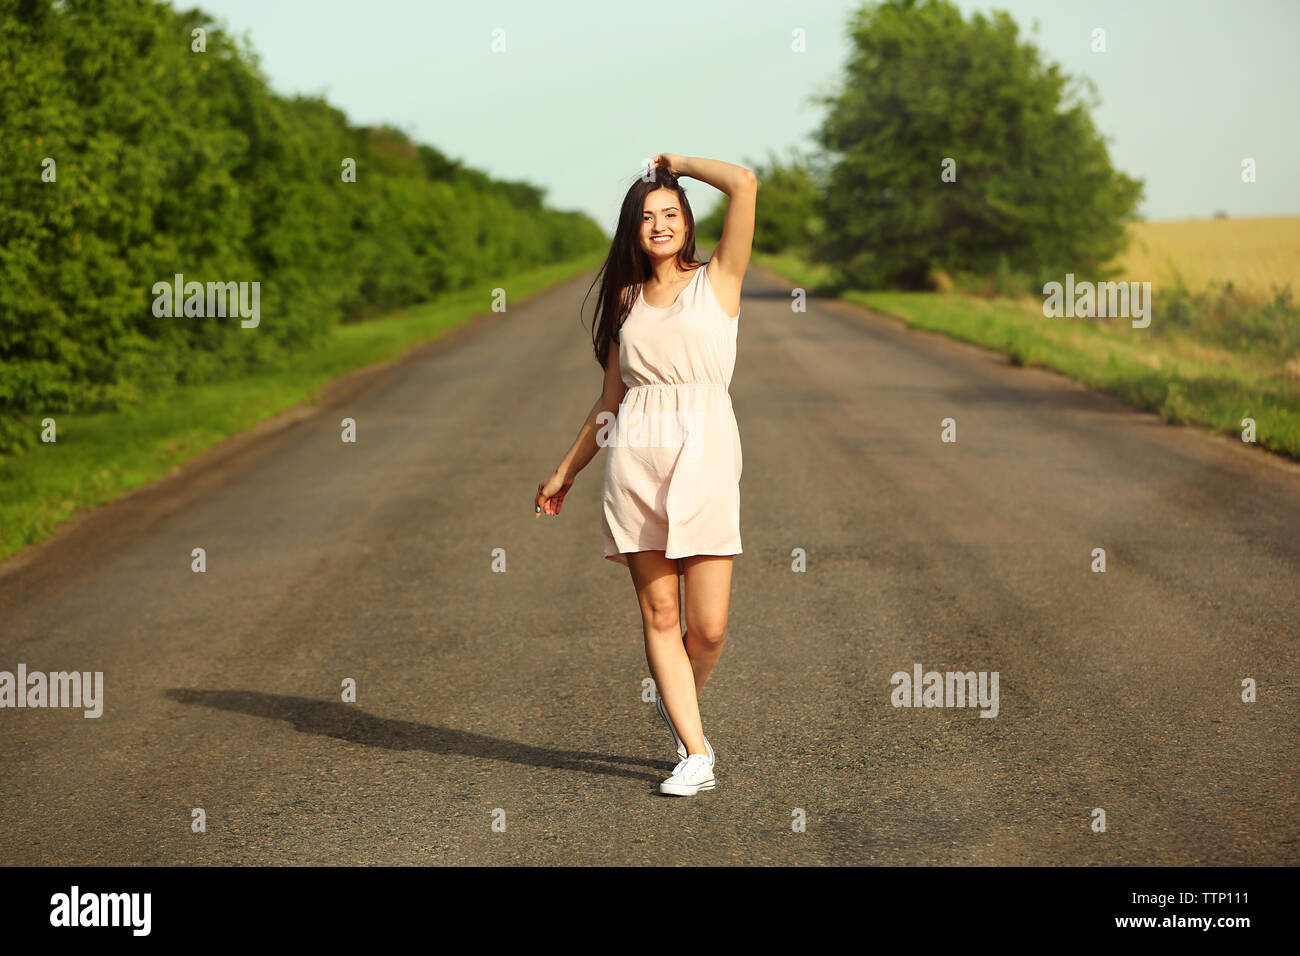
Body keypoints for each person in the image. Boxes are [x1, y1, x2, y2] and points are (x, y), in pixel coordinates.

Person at [535, 153, 756, 796]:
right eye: (647, 217)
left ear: (687, 223)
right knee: (661, 615)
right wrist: (565, 470)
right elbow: (610, 403)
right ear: (633, 230)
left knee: (707, 628)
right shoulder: (626, 300)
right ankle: (696, 750)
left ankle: (677, 698)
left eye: (671, 214)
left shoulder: (720, 279)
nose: (659, 225)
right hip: (637, 461)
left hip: (708, 454)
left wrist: (677, 164)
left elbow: (743, 183)